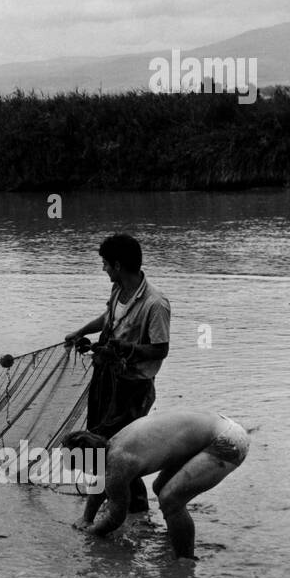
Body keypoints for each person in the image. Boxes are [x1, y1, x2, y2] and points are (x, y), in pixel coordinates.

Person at [64, 233, 170, 512]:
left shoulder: (155, 303)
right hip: (106, 379)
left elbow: (160, 349)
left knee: (120, 450)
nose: (103, 269)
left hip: (133, 388)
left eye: (106, 264)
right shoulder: (119, 290)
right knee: (97, 441)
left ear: (119, 265)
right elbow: (108, 317)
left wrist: (126, 348)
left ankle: (132, 508)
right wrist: (82, 331)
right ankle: (109, 499)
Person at [65, 410, 249, 558]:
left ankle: (184, 563)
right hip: (223, 427)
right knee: (160, 488)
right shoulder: (112, 445)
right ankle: (176, 539)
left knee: (170, 499)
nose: (85, 474)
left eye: (82, 469)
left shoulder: (118, 463)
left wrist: (92, 532)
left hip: (227, 441)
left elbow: (116, 516)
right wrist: (86, 518)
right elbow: (101, 484)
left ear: (89, 460)